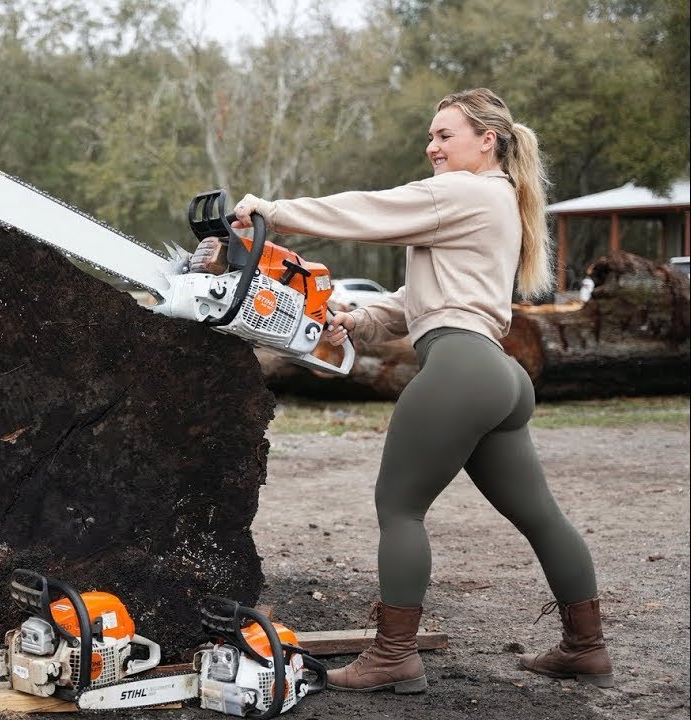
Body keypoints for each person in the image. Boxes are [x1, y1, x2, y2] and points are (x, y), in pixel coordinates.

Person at [191, 87, 612, 693]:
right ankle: (587, 648)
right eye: (431, 136)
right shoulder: (494, 199)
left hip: (461, 370)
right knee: (541, 517)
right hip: (497, 375)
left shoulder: (466, 190)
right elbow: (419, 300)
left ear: (486, 141)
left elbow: (371, 211)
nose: (432, 146)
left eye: (445, 135)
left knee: (400, 509)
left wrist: (273, 212)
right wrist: (358, 320)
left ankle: (393, 655)